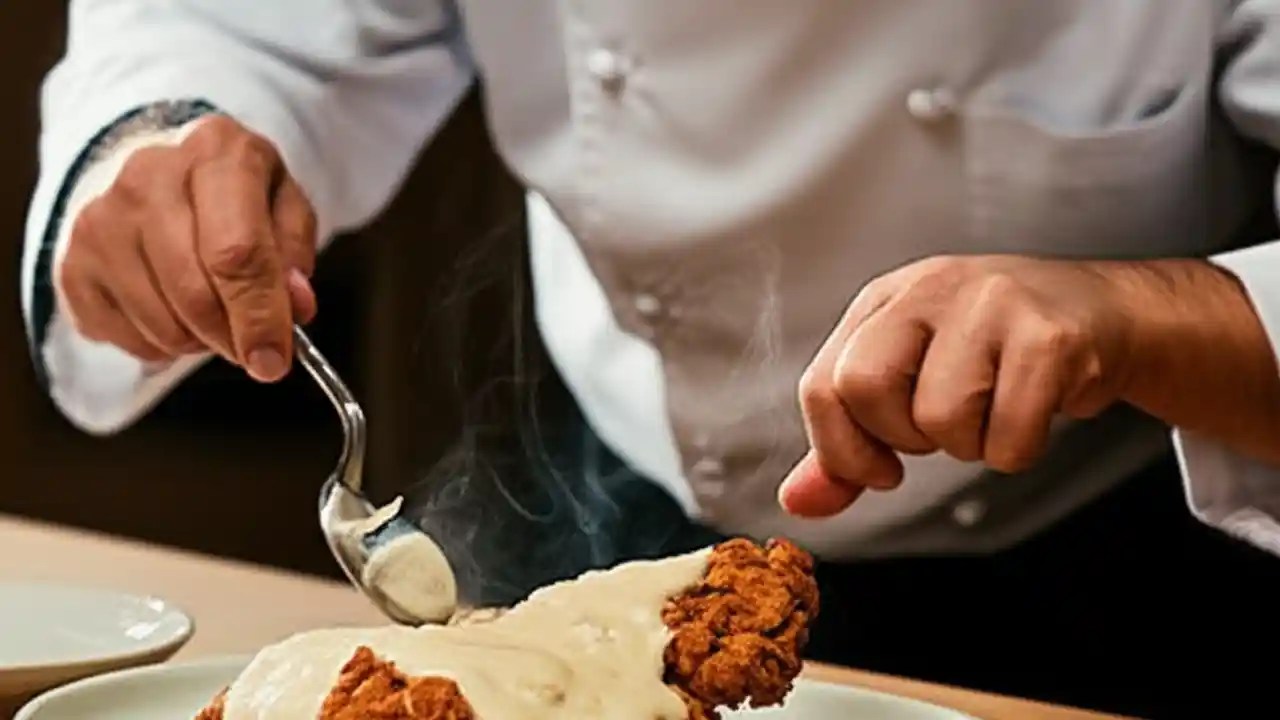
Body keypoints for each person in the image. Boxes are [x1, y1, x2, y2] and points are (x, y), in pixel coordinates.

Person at [20, 2, 1280, 716]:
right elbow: (238, 22)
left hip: (1136, 540)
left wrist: (1159, 309)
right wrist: (162, 134)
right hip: (592, 488)